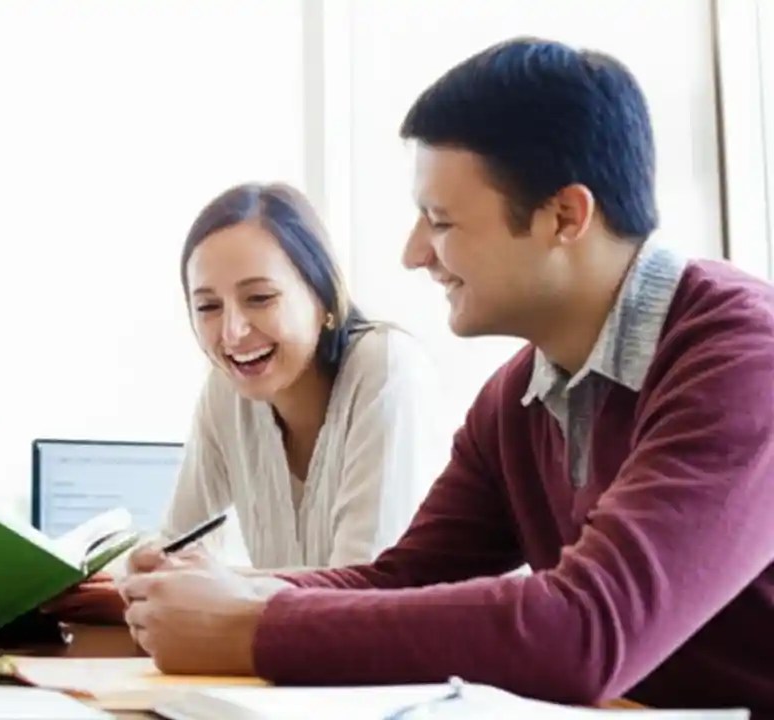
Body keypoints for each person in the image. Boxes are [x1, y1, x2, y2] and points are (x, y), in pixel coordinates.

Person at [118, 37, 774, 714]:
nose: (412, 253)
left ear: (564, 217)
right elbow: (401, 580)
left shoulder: (746, 360)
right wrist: (208, 595)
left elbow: (584, 628)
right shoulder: (516, 399)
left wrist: (252, 626)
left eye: (440, 221)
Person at [48, 183, 438, 623]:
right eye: (208, 306)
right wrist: (145, 575)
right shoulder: (225, 391)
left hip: (402, 678)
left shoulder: (386, 368)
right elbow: (178, 549)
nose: (232, 332)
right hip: (294, 679)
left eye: (260, 298)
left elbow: (363, 590)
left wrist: (199, 587)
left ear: (325, 297)